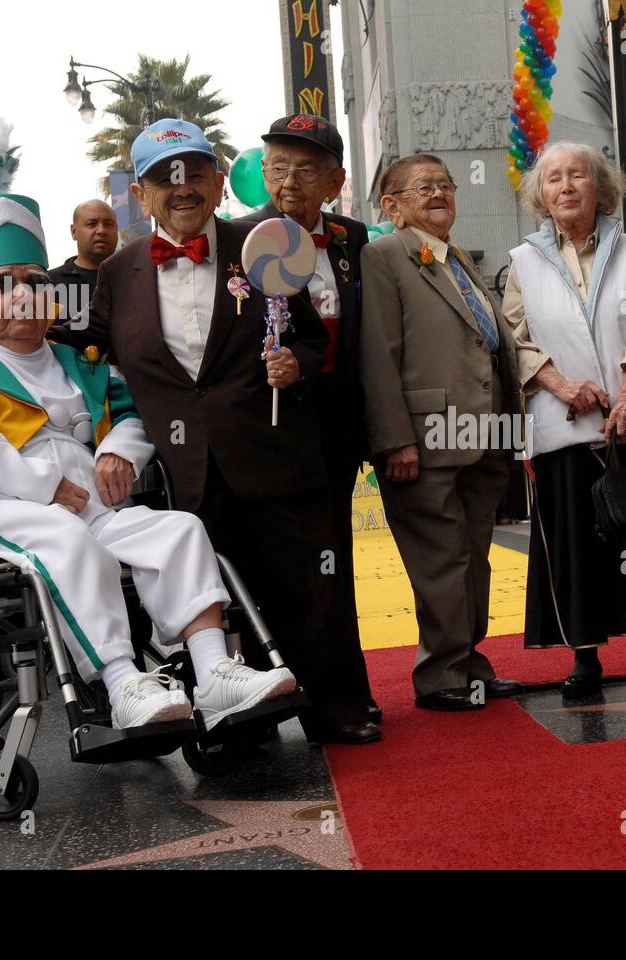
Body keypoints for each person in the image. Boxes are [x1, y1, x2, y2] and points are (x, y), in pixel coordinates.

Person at [0, 192, 297, 730]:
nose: (22, 296)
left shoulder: (77, 359)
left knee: (178, 530)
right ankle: (121, 681)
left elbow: (133, 416)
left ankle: (214, 672)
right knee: (66, 542)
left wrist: (115, 454)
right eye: (3, 283)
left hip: (93, 501)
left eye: (35, 281)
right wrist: (46, 484)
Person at [82, 119, 379, 744]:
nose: (181, 187)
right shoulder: (118, 273)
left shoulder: (266, 241)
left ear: (219, 184)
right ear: (141, 196)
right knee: (219, 598)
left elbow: (304, 335)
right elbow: (95, 362)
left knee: (312, 585)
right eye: (164, 178)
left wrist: (295, 361)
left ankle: (339, 706)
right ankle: (242, 722)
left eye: (194, 173)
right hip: (188, 470)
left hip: (278, 451)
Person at [502, 142, 626, 697]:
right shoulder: (523, 260)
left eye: (578, 176)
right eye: (554, 179)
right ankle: (585, 659)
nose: (566, 186)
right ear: (541, 194)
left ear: (600, 187)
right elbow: (515, 339)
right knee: (573, 546)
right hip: (562, 424)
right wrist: (561, 385)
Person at [360, 154, 524, 711]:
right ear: (392, 205)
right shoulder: (384, 255)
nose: (438, 195)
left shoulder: (454, 253)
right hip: (423, 440)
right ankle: (440, 676)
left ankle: (468, 664)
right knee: (440, 562)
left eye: (445, 185)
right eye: (423, 187)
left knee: (474, 555)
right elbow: (377, 356)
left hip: (485, 433)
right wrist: (394, 439)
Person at [237, 114, 378, 723]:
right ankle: (268, 703)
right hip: (269, 425)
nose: (288, 181)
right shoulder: (238, 241)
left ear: (335, 179)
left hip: (337, 423)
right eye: (276, 167)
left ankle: (340, 695)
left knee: (332, 556)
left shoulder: (352, 238)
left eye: (304, 169)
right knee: (267, 563)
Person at [47, 199, 118, 346]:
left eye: (108, 224)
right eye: (92, 224)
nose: (101, 230)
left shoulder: (135, 281)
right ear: (74, 231)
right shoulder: (48, 284)